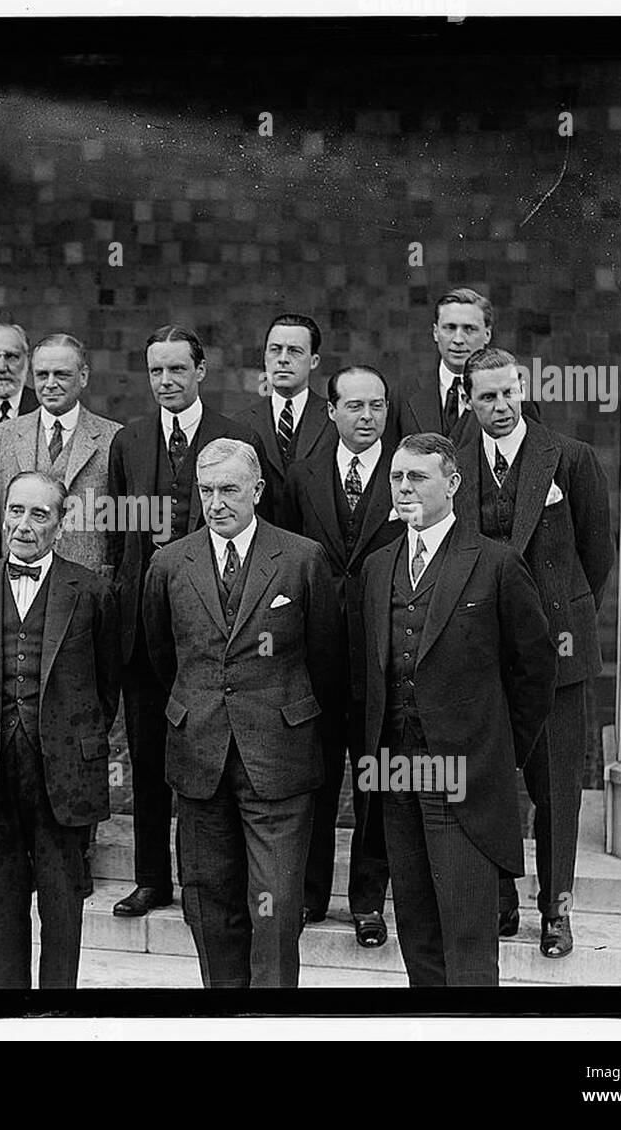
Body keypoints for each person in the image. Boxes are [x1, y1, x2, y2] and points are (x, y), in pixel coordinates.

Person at [143, 438, 341, 987]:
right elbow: (164, 654)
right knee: (208, 903)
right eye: (206, 491)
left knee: (275, 906)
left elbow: (325, 657)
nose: (217, 502)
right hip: (200, 752)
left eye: (229, 489)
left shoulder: (302, 558)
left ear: (256, 490)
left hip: (278, 755)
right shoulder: (169, 562)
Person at [360, 433, 556, 986]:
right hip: (395, 770)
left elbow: (534, 669)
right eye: (396, 477)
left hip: (465, 774)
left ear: (452, 483)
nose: (403, 488)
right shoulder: (378, 568)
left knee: (469, 940)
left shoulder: (496, 563)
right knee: (417, 932)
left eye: (417, 477)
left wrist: (499, 750)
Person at [455, 347, 616, 957]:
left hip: (558, 653)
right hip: (482, 655)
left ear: (521, 388)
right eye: (486, 396)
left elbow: (597, 554)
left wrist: (561, 621)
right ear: (469, 399)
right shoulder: (456, 462)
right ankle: (499, 900)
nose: (499, 407)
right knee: (489, 780)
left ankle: (557, 911)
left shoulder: (569, 457)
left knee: (555, 790)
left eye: (507, 393)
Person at [105, 324, 263, 918]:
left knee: (220, 756)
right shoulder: (131, 442)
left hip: (216, 627)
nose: (166, 381)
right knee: (147, 753)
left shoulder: (236, 436)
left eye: (177, 369)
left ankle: (219, 883)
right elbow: (123, 538)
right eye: (156, 371)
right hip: (148, 627)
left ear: (201, 371)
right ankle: (151, 878)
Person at [0, 472, 122, 988]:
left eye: (40, 514)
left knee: (63, 898)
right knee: (0, 896)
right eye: (16, 511)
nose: (24, 525)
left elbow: (105, 684)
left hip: (64, 768)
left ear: (62, 523)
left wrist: (72, 738)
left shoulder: (92, 592)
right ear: (3, 514)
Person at [282, 365, 401, 944]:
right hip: (316, 656)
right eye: (354, 406)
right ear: (330, 412)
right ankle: (308, 895)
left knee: (374, 782)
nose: (366, 417)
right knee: (318, 780)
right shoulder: (302, 477)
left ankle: (368, 902)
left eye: (376, 406)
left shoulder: (408, 476)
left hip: (384, 657)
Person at [0, 333, 122, 575]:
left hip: (88, 579)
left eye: (61, 374)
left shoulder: (114, 437)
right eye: (41, 375)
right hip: (18, 576)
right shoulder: (4, 435)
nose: (50, 384)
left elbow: (122, 520)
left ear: (83, 376)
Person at [392, 288, 540, 444]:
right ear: (436, 332)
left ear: (487, 335)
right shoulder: (404, 392)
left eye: (469, 329)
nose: (458, 339)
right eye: (449, 328)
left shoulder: (516, 393)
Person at [231, 312, 336, 524]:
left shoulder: (333, 419)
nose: (283, 359)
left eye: (295, 351)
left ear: (314, 361)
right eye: (275, 349)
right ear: (265, 357)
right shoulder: (241, 424)